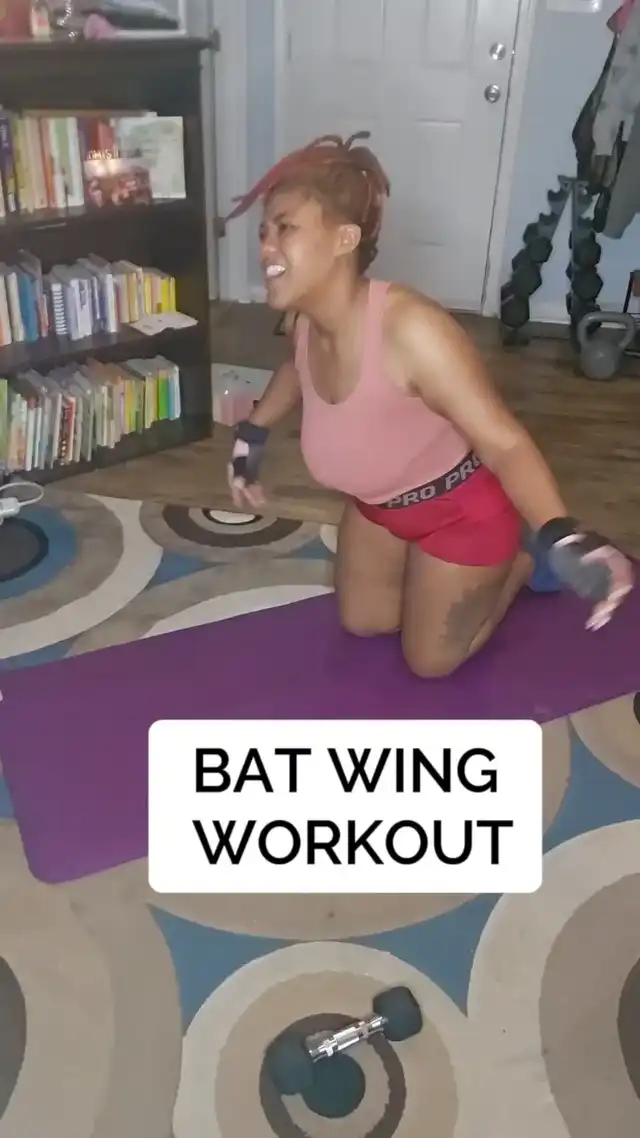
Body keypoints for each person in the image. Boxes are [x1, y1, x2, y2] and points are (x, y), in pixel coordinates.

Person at [225, 132, 634, 678]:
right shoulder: (304, 318)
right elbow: (294, 370)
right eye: (263, 232)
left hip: (461, 513)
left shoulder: (412, 330)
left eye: (285, 228)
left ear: (344, 238)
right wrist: (253, 432)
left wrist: (561, 534)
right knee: (364, 622)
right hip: (377, 507)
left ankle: (522, 559)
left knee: (430, 662)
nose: (265, 249)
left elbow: (504, 441)